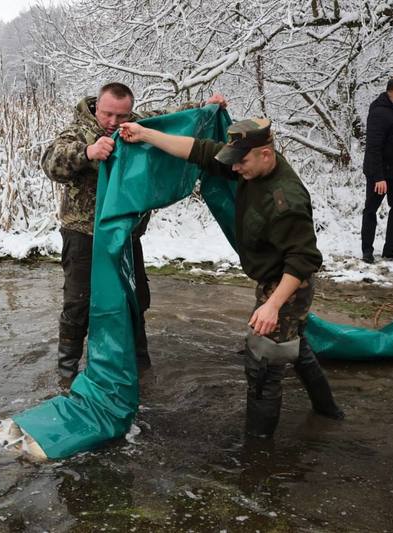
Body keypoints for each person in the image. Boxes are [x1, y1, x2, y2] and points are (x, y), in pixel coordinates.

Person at [118, 117, 344, 438]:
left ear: (266, 154)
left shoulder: (286, 199)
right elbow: (198, 150)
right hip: (274, 279)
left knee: (264, 367)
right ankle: (328, 412)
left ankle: (257, 458)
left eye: (242, 162)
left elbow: (304, 261)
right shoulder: (253, 166)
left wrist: (273, 306)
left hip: (287, 284)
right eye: (234, 161)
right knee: (296, 346)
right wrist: (145, 133)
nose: (235, 169)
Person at [41, 82, 226, 380]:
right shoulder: (76, 132)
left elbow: (172, 117)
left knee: (135, 299)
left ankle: (139, 365)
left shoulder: (136, 127)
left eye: (121, 116)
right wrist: (88, 152)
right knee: (79, 303)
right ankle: (67, 371)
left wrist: (207, 106)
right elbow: (51, 163)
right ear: (96, 107)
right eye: (108, 115)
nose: (114, 122)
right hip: (84, 234)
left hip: (126, 234)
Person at [360, 75, 393, 264]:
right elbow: (374, 147)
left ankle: (391, 248)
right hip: (380, 173)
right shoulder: (379, 112)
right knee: (371, 209)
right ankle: (367, 250)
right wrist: (378, 177)